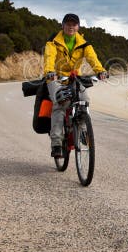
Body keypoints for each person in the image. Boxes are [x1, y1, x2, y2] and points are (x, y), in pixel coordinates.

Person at [44, 13, 107, 158]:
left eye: (74, 24)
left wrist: (100, 71)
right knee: (60, 102)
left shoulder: (83, 43)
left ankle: (83, 130)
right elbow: (49, 57)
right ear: (63, 25)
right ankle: (57, 144)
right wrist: (49, 71)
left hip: (74, 77)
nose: (71, 27)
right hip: (56, 77)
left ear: (78, 27)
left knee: (84, 99)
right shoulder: (53, 41)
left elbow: (92, 58)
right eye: (68, 24)